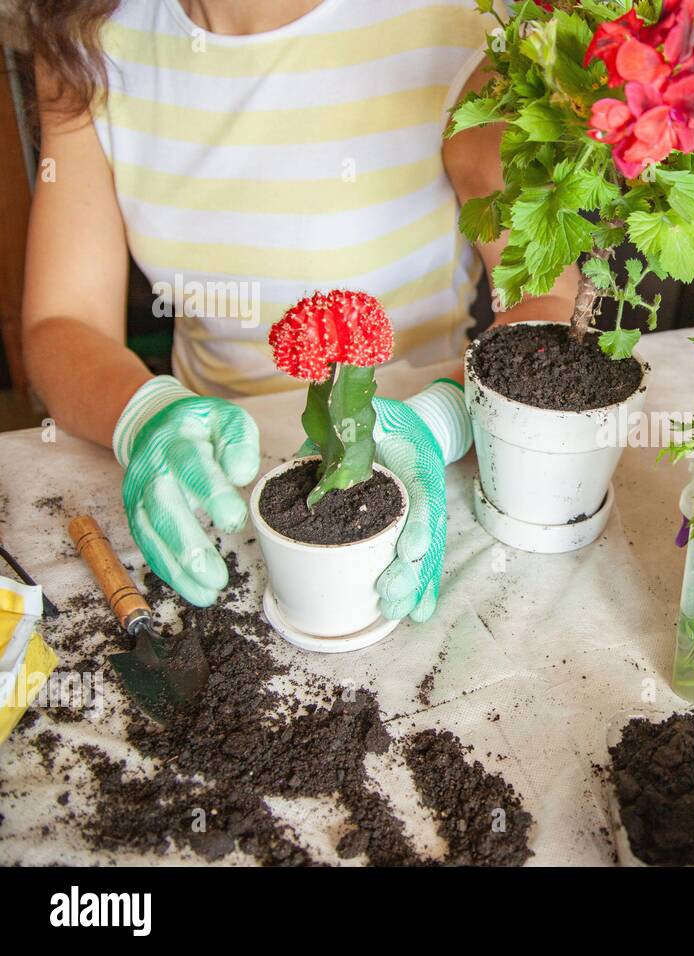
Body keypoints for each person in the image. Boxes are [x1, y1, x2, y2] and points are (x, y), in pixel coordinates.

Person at [21, 0, 578, 619]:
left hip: (427, 476)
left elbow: (545, 298)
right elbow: (61, 322)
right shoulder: (83, 34)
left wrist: (441, 420)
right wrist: (143, 415)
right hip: (210, 483)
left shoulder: (463, 22)